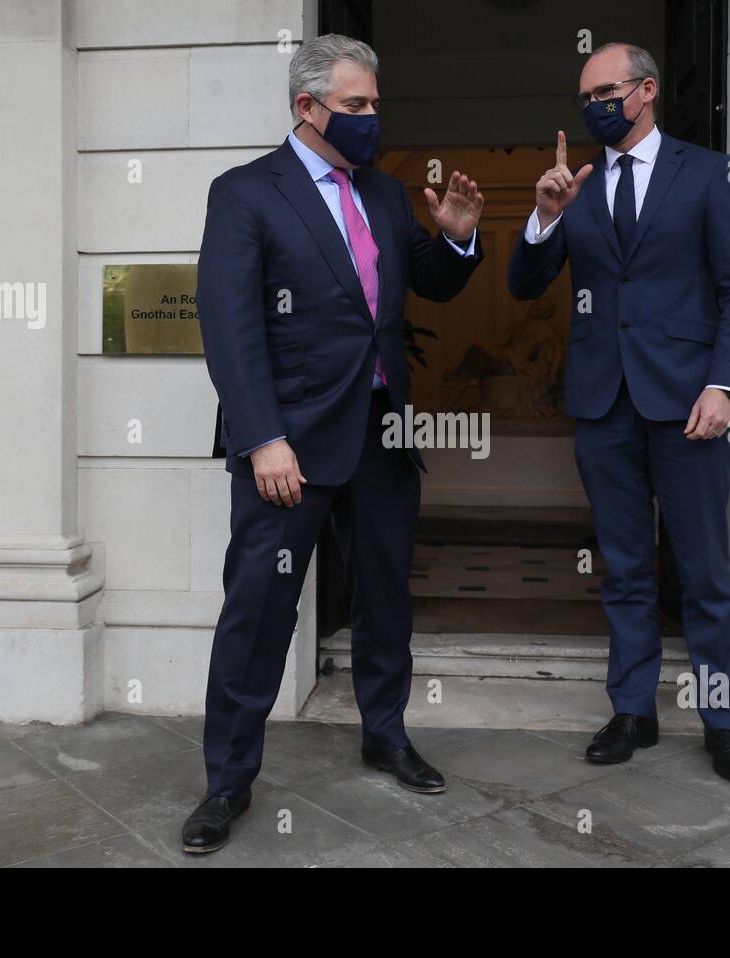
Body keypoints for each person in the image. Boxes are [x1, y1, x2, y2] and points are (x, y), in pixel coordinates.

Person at [184, 34, 485, 854]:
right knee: (259, 612)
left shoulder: (385, 196)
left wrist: (455, 237)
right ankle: (227, 781)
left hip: (384, 437)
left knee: (386, 597)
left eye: (375, 105)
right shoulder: (245, 193)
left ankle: (385, 734)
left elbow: (424, 280)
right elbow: (230, 328)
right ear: (306, 107)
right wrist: (264, 439)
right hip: (291, 448)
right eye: (355, 106)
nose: (370, 118)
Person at [508, 41, 730, 782]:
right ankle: (633, 712)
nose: (593, 106)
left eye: (605, 91)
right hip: (602, 404)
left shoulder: (707, 175)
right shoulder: (573, 187)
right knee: (623, 569)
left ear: (646, 91)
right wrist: (542, 216)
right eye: (584, 95)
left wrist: (725, 386)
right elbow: (526, 285)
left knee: (705, 571)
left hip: (688, 403)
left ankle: (723, 723)